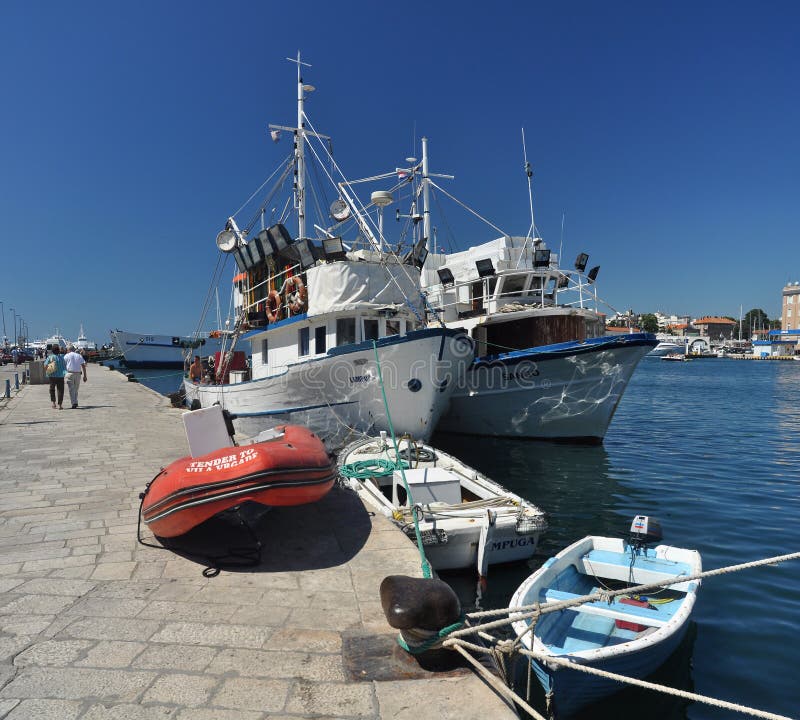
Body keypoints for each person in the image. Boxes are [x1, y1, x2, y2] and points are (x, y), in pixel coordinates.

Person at [63, 344, 87, 408]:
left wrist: (63, 374)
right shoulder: (79, 356)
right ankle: (75, 402)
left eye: (67, 350)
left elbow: (63, 366)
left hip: (69, 373)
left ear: (68, 349)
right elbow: (83, 366)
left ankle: (74, 403)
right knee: (76, 389)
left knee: (71, 389)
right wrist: (85, 376)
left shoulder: (66, 356)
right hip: (78, 374)